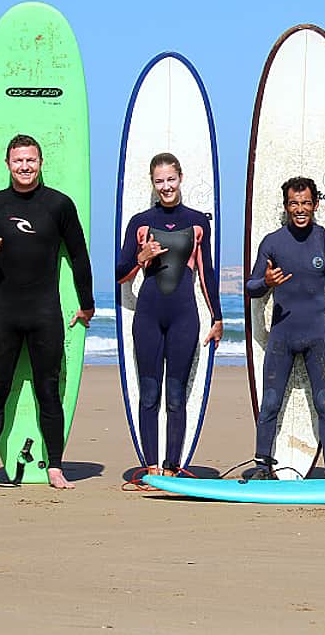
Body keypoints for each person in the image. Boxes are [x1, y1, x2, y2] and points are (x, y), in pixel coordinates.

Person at [0, 134, 94, 489]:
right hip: (4, 313)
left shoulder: (59, 205)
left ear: (40, 163)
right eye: (18, 160)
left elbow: (79, 256)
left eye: (31, 160)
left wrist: (87, 304)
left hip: (44, 314)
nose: (25, 166)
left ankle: (54, 467)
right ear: (7, 164)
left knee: (48, 390)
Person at [116, 153, 222, 477]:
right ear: (153, 183)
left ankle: (173, 467)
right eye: (159, 181)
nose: (166, 186)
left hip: (184, 317)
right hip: (148, 316)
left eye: (171, 179)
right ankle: (150, 467)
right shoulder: (140, 222)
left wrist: (218, 319)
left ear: (180, 178)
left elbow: (207, 274)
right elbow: (120, 275)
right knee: (149, 393)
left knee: (176, 395)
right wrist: (140, 256)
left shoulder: (197, 223)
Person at [245, 177, 325, 479]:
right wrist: (266, 283)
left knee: (324, 402)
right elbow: (252, 287)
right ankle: (263, 466)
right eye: (294, 203)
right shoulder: (272, 243)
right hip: (282, 336)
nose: (300, 209)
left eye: (306, 203)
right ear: (286, 206)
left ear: (315, 204)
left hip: (317, 335)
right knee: (270, 402)